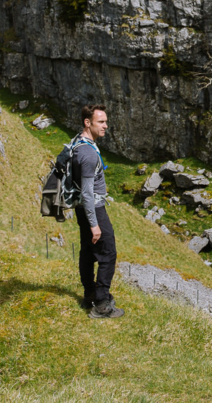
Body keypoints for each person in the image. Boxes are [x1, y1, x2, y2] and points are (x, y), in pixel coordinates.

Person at [73, 104, 124, 319]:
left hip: (82, 208)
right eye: (101, 122)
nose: (106, 126)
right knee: (108, 253)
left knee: (87, 250)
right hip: (92, 208)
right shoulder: (88, 155)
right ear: (88, 122)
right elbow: (86, 192)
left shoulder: (78, 142)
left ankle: (89, 294)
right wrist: (94, 223)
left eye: (105, 121)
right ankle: (102, 304)